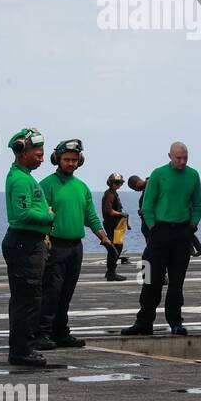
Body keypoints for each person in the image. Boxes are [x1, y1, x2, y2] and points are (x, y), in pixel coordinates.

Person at [37, 140, 114, 350]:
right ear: (57, 160)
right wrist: (45, 239)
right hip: (55, 246)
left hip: (75, 247)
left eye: (74, 160)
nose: (71, 163)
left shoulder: (82, 187)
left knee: (66, 292)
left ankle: (61, 333)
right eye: (66, 159)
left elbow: (91, 216)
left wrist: (104, 238)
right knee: (51, 291)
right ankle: (42, 333)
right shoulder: (46, 185)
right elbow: (42, 215)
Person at [122, 142, 201, 336]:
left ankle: (176, 322)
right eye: (178, 158)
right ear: (170, 156)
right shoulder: (158, 174)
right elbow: (147, 206)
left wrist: (192, 225)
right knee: (150, 279)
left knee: (176, 283)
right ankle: (143, 322)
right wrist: (152, 228)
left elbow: (198, 205)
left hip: (182, 233)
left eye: (185, 158)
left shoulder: (193, 175)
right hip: (159, 232)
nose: (182, 162)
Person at [3, 128, 56, 367]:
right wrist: (47, 216)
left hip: (26, 242)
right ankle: (22, 351)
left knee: (26, 298)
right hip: (24, 243)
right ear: (22, 152)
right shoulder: (21, 179)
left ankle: (23, 348)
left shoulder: (23, 175)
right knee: (28, 298)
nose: (42, 158)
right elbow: (23, 213)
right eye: (38, 154)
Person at [101, 173, 129, 280]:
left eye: (120, 183)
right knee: (115, 247)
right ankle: (111, 273)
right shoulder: (110, 195)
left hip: (115, 225)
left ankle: (110, 272)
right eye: (116, 182)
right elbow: (109, 211)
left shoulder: (113, 193)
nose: (119, 185)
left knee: (116, 247)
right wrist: (121, 214)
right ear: (110, 183)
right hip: (111, 225)